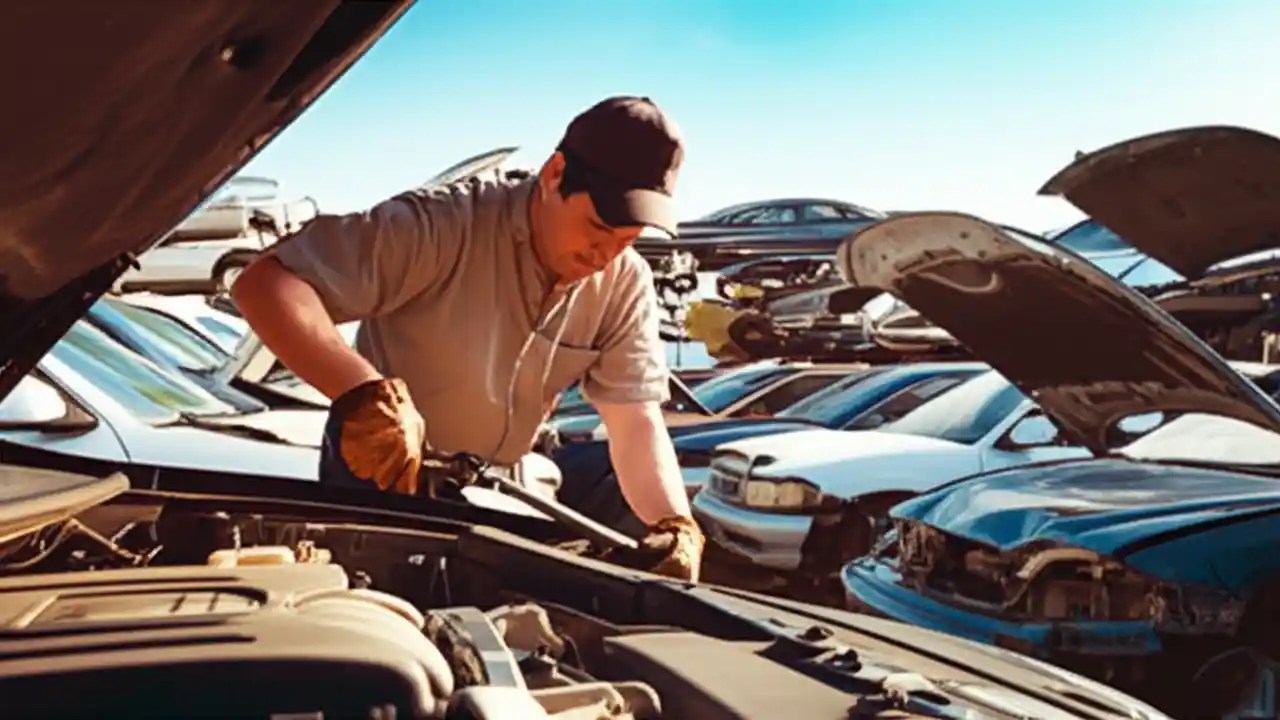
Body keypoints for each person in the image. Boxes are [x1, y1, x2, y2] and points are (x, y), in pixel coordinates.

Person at [231, 96, 703, 581]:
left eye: (627, 238)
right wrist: (362, 392)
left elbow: (635, 422)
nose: (606, 254)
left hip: (502, 494)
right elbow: (267, 284)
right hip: (381, 483)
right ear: (555, 173)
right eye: (598, 227)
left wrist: (675, 521)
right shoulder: (441, 225)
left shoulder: (624, 284)